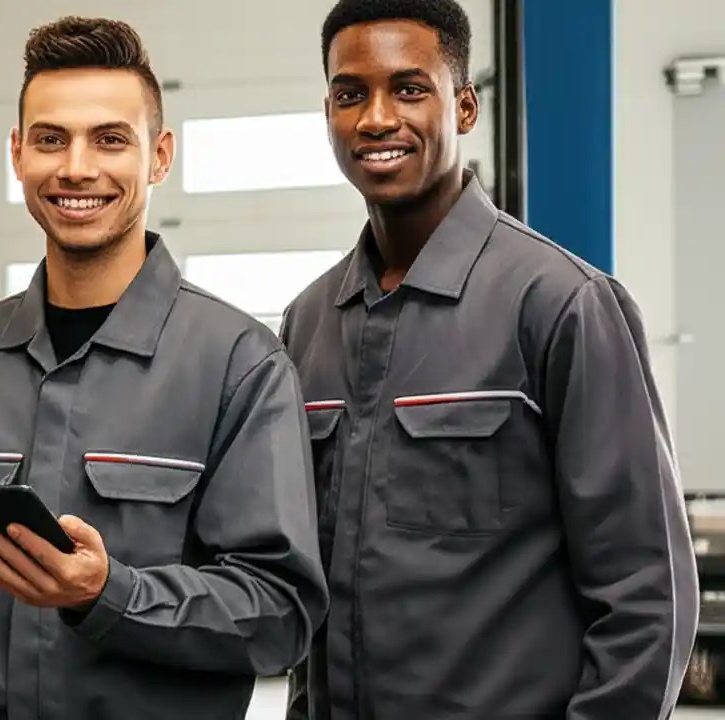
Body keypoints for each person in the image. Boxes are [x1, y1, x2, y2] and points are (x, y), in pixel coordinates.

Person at [0, 15, 328, 720]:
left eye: (111, 139)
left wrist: (106, 592)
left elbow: (278, 615)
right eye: (51, 139)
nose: (77, 167)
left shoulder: (238, 365)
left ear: (160, 156)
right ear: (17, 154)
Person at [279, 1, 699, 718]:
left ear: (465, 107)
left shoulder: (562, 303)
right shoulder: (308, 323)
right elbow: (311, 588)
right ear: (328, 114)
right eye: (351, 94)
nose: (376, 118)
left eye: (409, 89)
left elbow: (648, 595)